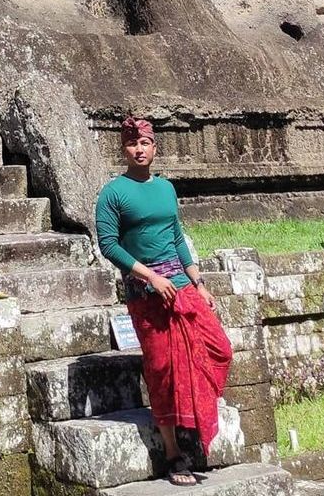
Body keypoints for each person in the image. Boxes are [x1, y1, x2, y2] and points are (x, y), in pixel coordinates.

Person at [95, 116, 232, 488]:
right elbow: (109, 245)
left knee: (217, 348)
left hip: (180, 285)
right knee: (161, 368)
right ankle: (174, 452)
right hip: (146, 292)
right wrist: (150, 277)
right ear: (123, 149)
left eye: (145, 143)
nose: (139, 149)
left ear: (155, 147)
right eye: (132, 144)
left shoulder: (167, 189)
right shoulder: (113, 193)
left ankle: (194, 419)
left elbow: (176, 237)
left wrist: (198, 282)